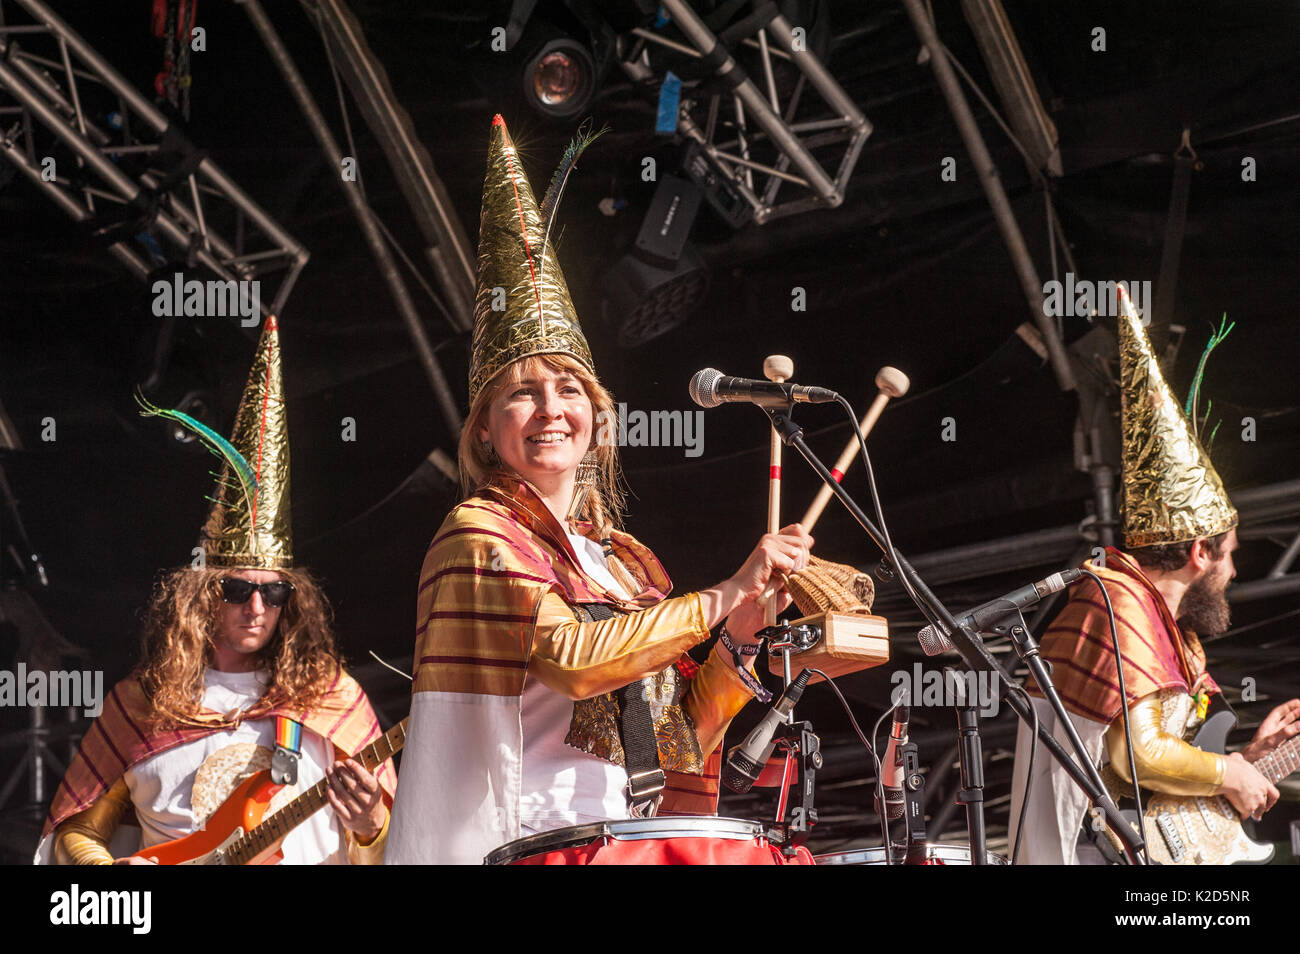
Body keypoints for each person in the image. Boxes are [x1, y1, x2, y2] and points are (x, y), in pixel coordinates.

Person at [386, 115, 813, 865]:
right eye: (522, 394)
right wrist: (720, 594)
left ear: (596, 415)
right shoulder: (478, 531)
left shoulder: (625, 560)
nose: (551, 409)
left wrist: (741, 638)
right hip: (524, 847)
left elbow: (678, 734)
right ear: (485, 429)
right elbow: (575, 658)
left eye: (568, 389)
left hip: (618, 844)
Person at [38, 317, 396, 865]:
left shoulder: (331, 698)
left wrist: (372, 827)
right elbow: (75, 830)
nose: (258, 607)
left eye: (275, 594)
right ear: (201, 594)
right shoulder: (141, 703)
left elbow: (401, 848)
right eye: (237, 589)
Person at [1008, 287, 1299, 864]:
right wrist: (1226, 773)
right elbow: (1137, 757)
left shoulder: (1168, 625)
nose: (1236, 572)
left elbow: (1161, 785)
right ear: (1199, 552)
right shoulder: (1118, 602)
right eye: (1231, 555)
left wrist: (1252, 758)